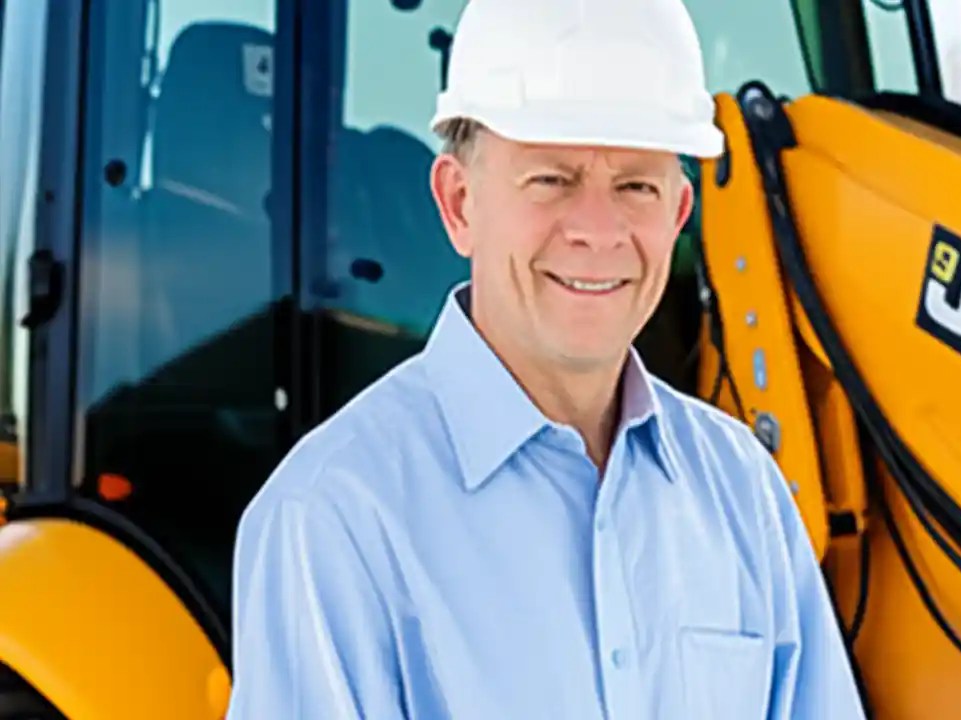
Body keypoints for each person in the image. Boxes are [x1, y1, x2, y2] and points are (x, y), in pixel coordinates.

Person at [226, 0, 865, 717]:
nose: (599, 230)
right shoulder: (333, 518)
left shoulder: (744, 491)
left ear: (679, 214)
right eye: (552, 180)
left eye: (635, 185)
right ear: (459, 203)